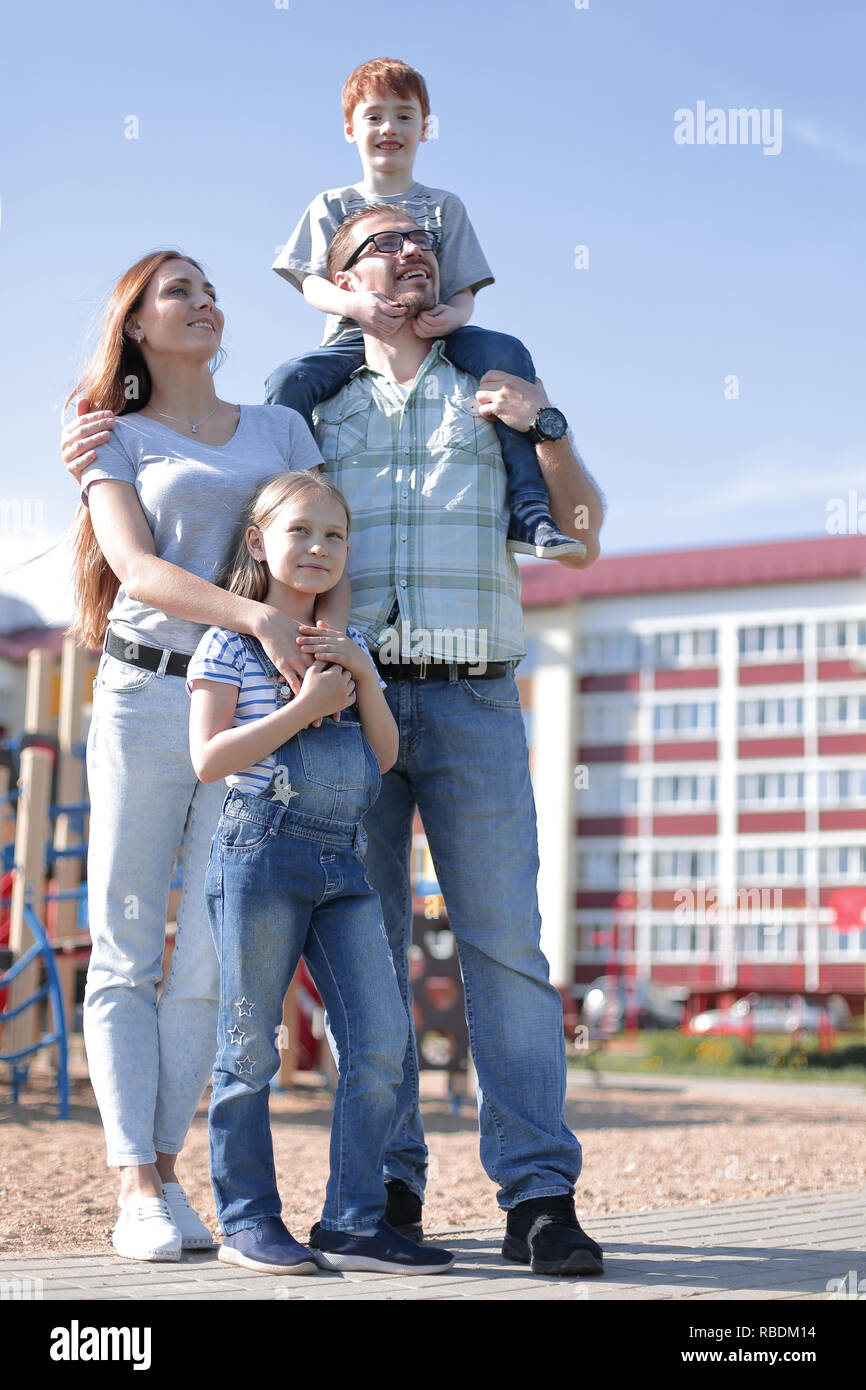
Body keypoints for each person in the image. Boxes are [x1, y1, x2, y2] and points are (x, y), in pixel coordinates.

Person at [293, 203, 607, 1277]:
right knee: (364, 952)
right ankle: (388, 1185)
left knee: (504, 949)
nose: (409, 245)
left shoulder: (496, 381)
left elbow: (580, 539)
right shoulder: (313, 399)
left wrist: (546, 426)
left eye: (420, 240)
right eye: (380, 240)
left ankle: (537, 1196)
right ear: (341, 277)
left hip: (472, 697)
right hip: (349, 701)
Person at [68, 249, 336, 1262]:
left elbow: (323, 541)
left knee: (215, 957)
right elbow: (137, 567)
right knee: (129, 940)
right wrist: (259, 619)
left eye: (210, 288)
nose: (203, 301)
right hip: (145, 693)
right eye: (178, 290)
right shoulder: (110, 436)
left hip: (254, 701)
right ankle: (134, 1181)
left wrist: (320, 653)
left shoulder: (279, 429)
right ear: (135, 323)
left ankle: (167, 1171)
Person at [186, 470, 454, 1276]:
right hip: (261, 854)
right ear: (259, 542)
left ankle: (352, 1222)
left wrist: (361, 678)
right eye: (300, 531)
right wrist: (305, 706)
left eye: (335, 536)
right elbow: (208, 759)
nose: (318, 549)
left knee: (379, 1042)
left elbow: (379, 760)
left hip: (342, 862)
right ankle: (248, 1222)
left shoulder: (351, 647)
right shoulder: (227, 642)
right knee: (249, 1048)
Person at [266, 55, 585, 565]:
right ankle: (305, 495)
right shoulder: (331, 204)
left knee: (506, 352)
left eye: (404, 116)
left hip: (437, 331)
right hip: (358, 338)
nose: (389, 128)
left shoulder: (444, 206)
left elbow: (461, 288)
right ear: (350, 129)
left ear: (425, 128)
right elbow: (310, 283)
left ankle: (528, 506)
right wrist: (355, 304)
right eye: (374, 116)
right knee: (288, 380)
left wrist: (454, 318)